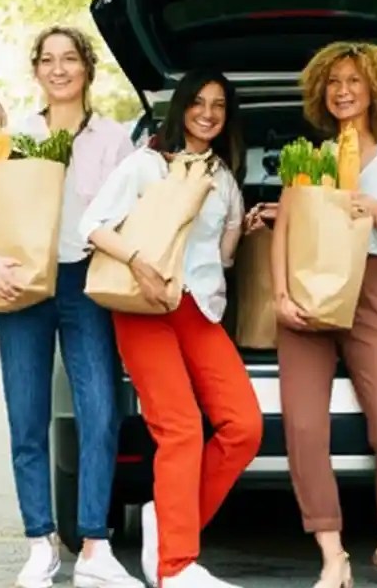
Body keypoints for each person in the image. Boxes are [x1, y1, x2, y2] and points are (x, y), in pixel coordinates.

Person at [0, 25, 141, 588]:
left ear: (87, 68)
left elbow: (130, 214)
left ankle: (94, 547)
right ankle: (40, 542)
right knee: (27, 417)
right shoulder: (13, 137)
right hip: (21, 283)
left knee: (101, 412)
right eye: (48, 60)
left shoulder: (113, 141)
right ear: (36, 70)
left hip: (86, 285)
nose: (59, 69)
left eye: (70, 59)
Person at [79, 70, 263, 588]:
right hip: (143, 304)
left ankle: (170, 519)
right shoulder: (143, 165)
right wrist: (137, 260)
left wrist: (239, 229)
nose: (207, 112)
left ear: (228, 117)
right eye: (198, 102)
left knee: (244, 426)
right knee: (180, 428)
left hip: (198, 309)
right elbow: (89, 225)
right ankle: (176, 567)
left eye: (219, 105)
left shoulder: (223, 178)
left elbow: (219, 260)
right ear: (181, 106)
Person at [270, 42, 377, 588]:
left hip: (372, 286)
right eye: (334, 81)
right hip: (307, 290)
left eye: (354, 81)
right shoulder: (310, 156)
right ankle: (332, 552)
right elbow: (287, 232)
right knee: (304, 425)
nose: (343, 90)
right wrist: (279, 296)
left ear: (375, 91)